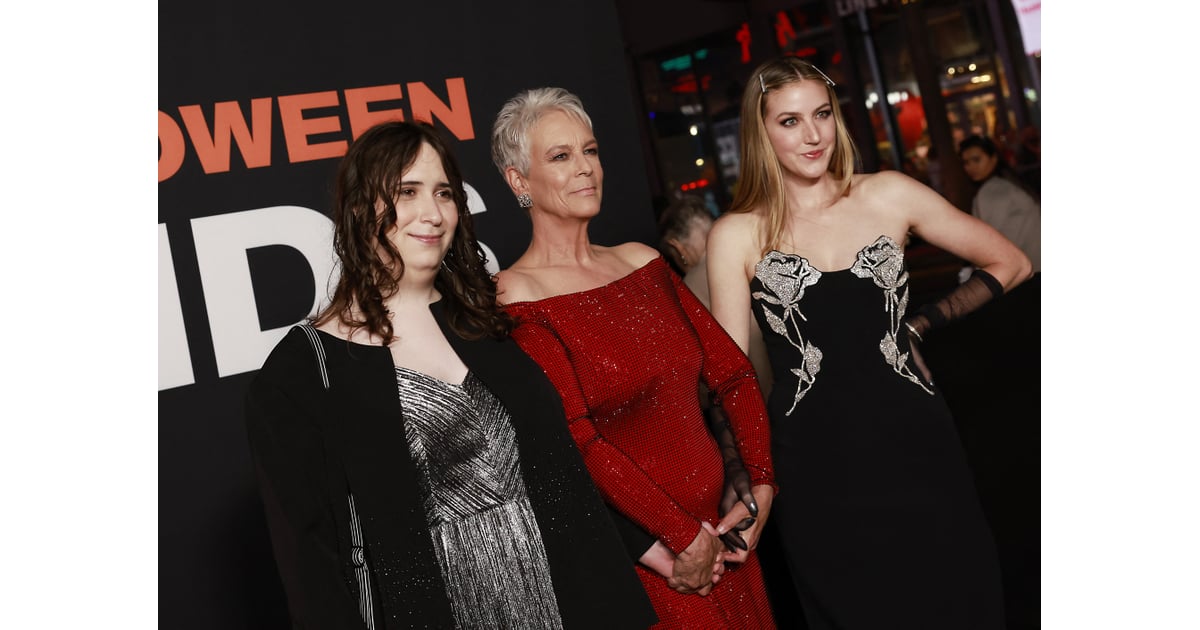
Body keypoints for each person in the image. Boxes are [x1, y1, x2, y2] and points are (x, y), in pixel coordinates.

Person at [243, 121, 657, 629]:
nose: (433, 214)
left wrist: (651, 547)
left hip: (567, 604)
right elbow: (311, 567)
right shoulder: (303, 371)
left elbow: (560, 474)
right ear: (357, 208)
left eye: (444, 193)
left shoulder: (484, 321)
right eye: (406, 192)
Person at [706, 56, 1034, 630]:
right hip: (815, 467)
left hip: (917, 442)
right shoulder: (738, 233)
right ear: (761, 133)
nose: (813, 135)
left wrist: (919, 325)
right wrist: (746, 477)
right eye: (789, 121)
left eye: (822, 114)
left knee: (960, 599)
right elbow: (731, 378)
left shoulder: (889, 196)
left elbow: (1012, 261)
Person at [490, 87, 778, 628]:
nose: (585, 168)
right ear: (518, 181)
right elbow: (576, 441)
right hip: (658, 565)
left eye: (591, 150)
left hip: (729, 541)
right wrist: (682, 536)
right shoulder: (515, 297)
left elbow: (734, 375)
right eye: (561, 156)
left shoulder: (643, 263)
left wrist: (760, 482)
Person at [657, 194, 773, 397]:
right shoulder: (755, 254)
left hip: (746, 405)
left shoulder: (688, 288)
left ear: (677, 247)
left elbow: (699, 378)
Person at [959, 133, 1041, 273]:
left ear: (993, 158)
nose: (970, 167)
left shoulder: (993, 190)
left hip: (1026, 272)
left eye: (976, 160)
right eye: (966, 162)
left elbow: (989, 242)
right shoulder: (1009, 181)